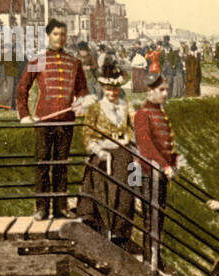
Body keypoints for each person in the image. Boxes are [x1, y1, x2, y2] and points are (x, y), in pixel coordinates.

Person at [17, 19, 90, 220]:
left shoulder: (74, 62)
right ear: (48, 36)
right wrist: (24, 115)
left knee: (61, 164)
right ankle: (41, 208)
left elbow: (82, 89)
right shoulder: (38, 60)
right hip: (44, 121)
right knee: (42, 164)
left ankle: (60, 207)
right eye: (56, 34)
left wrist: (81, 101)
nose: (60, 38)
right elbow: (22, 89)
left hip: (66, 120)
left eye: (63, 34)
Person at [75, 61, 136, 244]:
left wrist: (126, 138)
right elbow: (88, 136)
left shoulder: (125, 106)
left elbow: (131, 128)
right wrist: (100, 150)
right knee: (95, 173)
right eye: (108, 90)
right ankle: (92, 219)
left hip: (121, 149)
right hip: (101, 150)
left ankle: (120, 228)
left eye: (115, 90)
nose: (111, 93)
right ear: (103, 89)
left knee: (125, 176)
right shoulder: (95, 109)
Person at [132, 72, 182, 267]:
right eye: (161, 90)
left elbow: (163, 145)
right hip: (148, 173)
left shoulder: (159, 113)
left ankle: (154, 256)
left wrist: (175, 160)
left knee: (158, 218)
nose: (165, 94)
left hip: (159, 173)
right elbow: (147, 147)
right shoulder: (143, 114)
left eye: (166, 90)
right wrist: (166, 165)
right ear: (150, 91)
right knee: (151, 219)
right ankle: (150, 258)